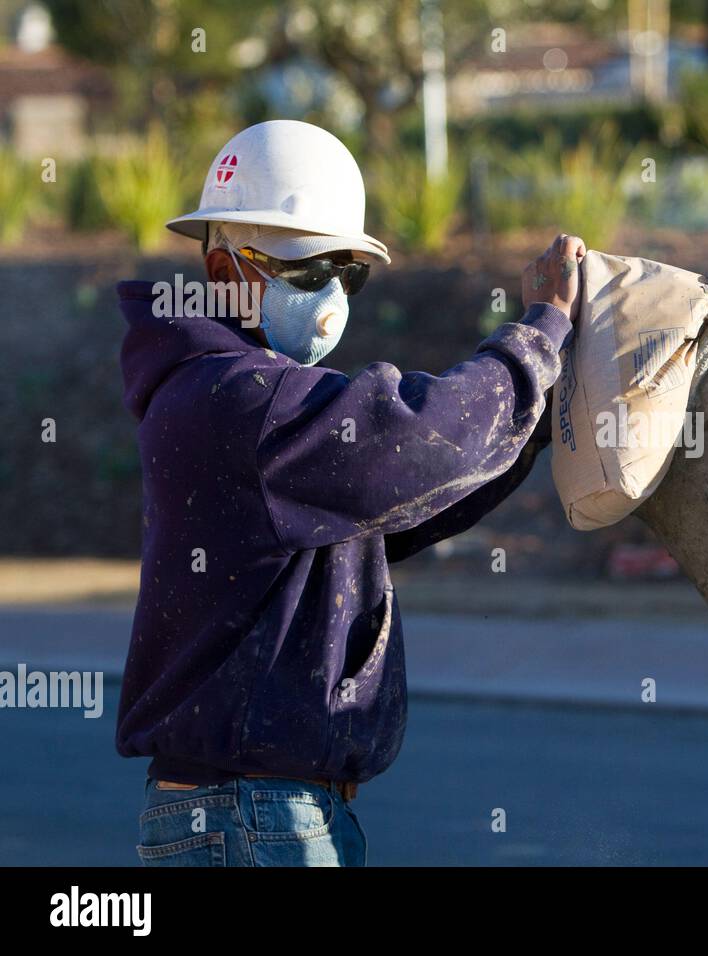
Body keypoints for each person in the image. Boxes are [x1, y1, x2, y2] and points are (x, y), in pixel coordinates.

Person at [115, 119, 585, 866]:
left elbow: (395, 508)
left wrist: (526, 429)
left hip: (256, 811)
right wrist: (538, 337)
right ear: (224, 265)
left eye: (348, 270)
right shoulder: (243, 399)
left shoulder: (225, 392)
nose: (332, 293)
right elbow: (409, 441)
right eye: (309, 269)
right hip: (251, 813)